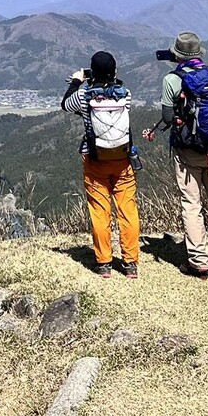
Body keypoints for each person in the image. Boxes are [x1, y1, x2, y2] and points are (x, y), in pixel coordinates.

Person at [142, 31, 208, 279]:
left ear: (176, 54)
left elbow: (166, 118)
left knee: (192, 205)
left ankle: (200, 262)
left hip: (188, 151)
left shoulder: (172, 79)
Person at [62, 50, 140, 278]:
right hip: (123, 159)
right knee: (128, 210)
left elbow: (66, 104)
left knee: (100, 210)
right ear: (115, 71)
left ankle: (104, 263)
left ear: (92, 73)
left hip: (95, 159)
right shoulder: (126, 94)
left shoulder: (85, 97)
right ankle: (130, 263)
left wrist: (78, 80)